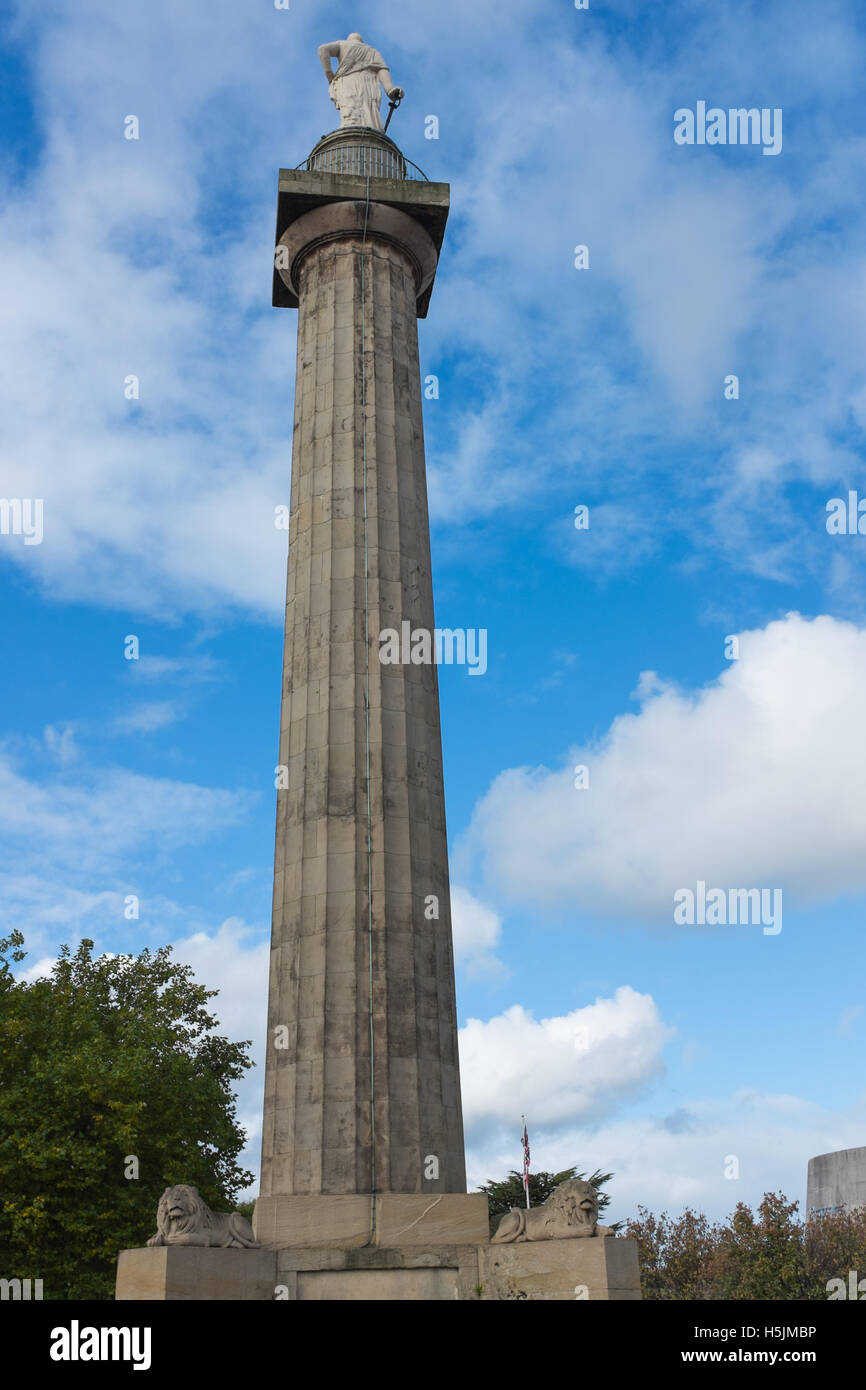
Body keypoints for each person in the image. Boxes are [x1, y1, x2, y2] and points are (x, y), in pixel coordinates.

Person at [318, 33, 404, 131]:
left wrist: (330, 76)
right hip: (368, 84)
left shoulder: (343, 44)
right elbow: (382, 69)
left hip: (348, 82)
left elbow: (322, 49)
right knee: (368, 110)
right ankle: (367, 129)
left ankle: (352, 131)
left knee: (351, 111)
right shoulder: (372, 51)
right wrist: (390, 89)